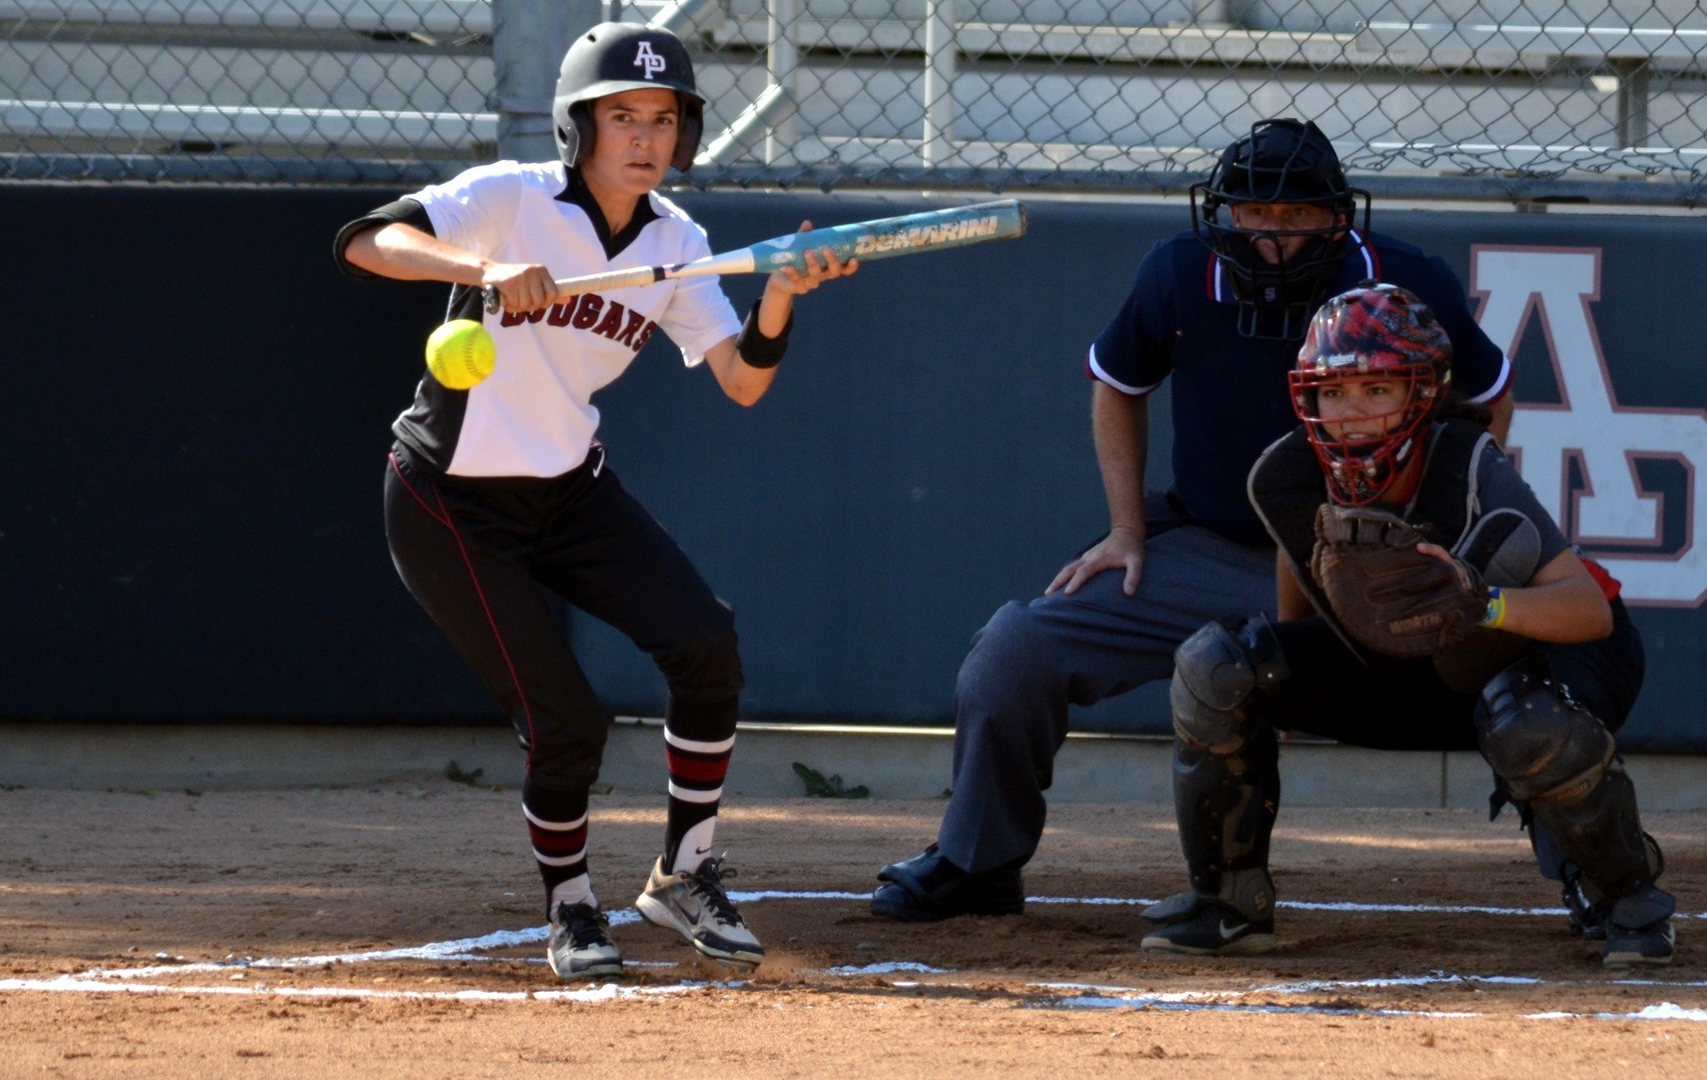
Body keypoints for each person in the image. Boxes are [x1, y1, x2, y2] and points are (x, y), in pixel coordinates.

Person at [872, 118, 1513, 922]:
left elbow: (1490, 402)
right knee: (1014, 650)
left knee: (1530, 685)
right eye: (1253, 214)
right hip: (1216, 550)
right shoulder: (1180, 273)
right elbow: (1117, 384)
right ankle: (977, 864)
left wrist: (1430, 536)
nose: (1272, 235)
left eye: (1295, 217)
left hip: (1367, 562)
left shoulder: (1402, 280)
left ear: (1339, 218)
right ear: (1223, 214)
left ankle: (1603, 881)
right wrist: (1126, 529)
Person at [334, 23, 855, 981]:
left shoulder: (678, 240)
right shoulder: (510, 198)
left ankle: (682, 874)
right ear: (579, 126)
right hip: (450, 500)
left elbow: (741, 380)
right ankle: (572, 906)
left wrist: (780, 296)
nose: (645, 136)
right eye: (621, 116)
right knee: (566, 716)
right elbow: (369, 242)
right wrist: (485, 269)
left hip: (569, 489)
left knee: (705, 640)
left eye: (663, 118)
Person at [1138, 282, 1671, 967]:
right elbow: (1297, 570)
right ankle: (1229, 904)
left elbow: (1588, 611)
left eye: (1375, 390)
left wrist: (1482, 605)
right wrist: (1279, 681)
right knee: (1218, 665)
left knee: (1529, 725)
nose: (1351, 414)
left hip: (1540, 651)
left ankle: (1629, 899)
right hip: (1404, 666)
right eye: (1333, 393)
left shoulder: (1467, 463)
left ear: (1422, 393)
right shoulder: (1288, 473)